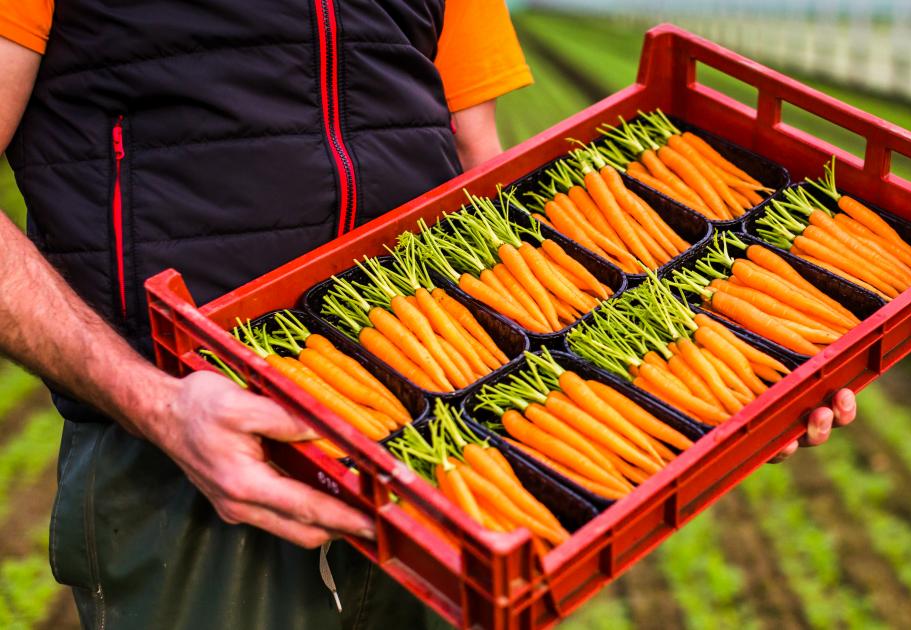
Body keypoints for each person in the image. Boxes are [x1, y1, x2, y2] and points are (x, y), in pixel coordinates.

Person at [0, 1, 857, 628]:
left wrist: (733, 391)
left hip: (442, 477)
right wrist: (159, 405)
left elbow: (476, 168)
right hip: (194, 468)